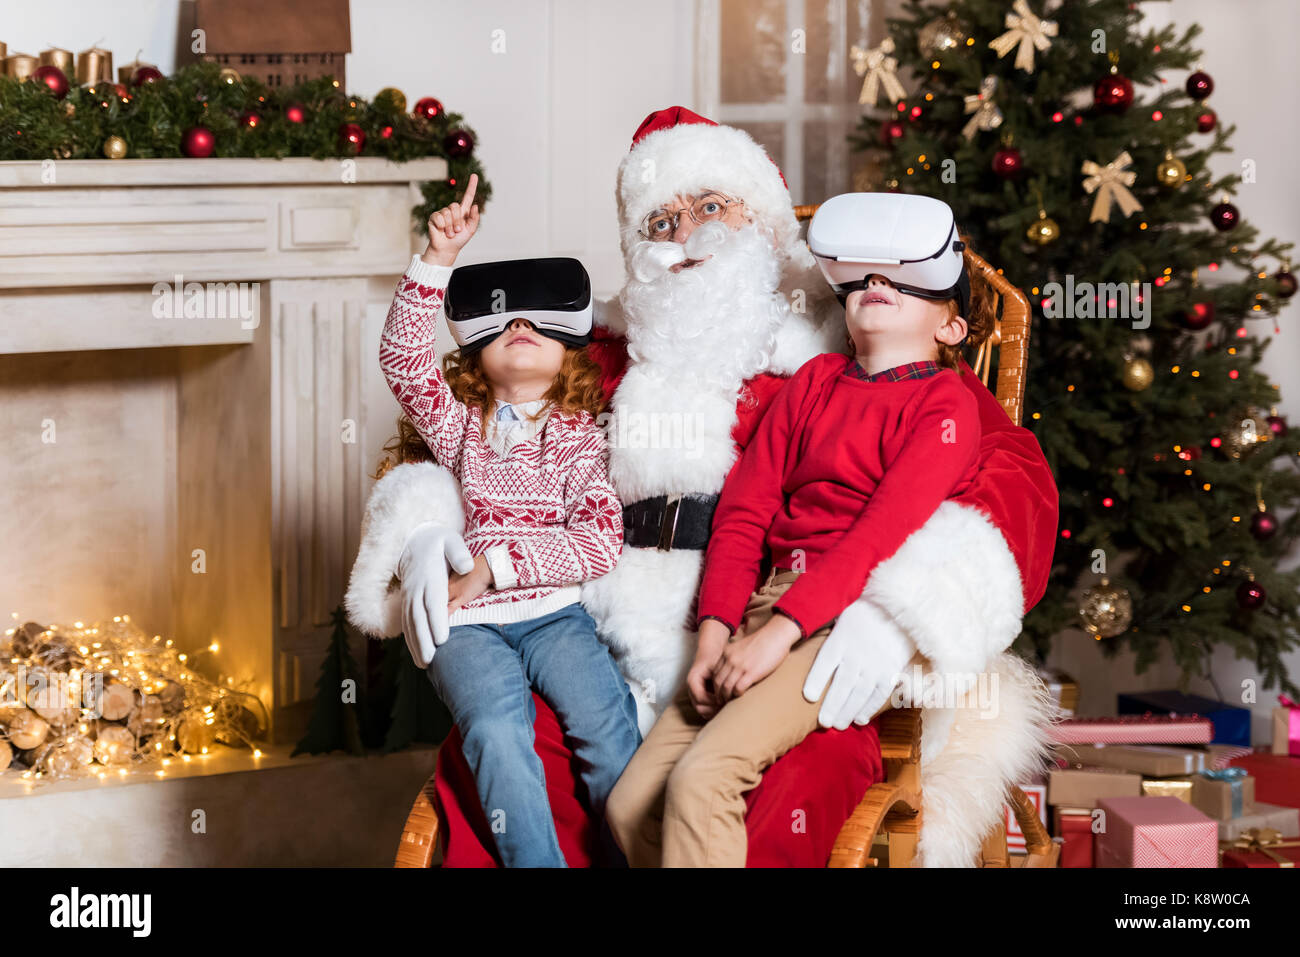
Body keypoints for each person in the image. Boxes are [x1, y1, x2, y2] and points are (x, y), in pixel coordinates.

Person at [346, 108, 1060, 868]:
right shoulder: (597, 352)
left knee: (785, 791)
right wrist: (428, 530)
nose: (686, 233)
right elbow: (475, 435)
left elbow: (1012, 481)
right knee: (509, 752)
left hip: (786, 630)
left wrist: (900, 614)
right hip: (592, 635)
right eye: (661, 220)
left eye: (713, 206)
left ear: (766, 224)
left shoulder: (842, 347)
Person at [606, 193, 996, 866]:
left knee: (704, 779)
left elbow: (875, 540)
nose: (878, 284)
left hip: (845, 618)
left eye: (905, 282)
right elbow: (743, 516)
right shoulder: (815, 381)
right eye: (864, 277)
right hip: (764, 604)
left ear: (952, 327)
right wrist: (715, 634)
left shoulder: (945, 405)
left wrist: (779, 636)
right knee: (629, 803)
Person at [370, 174, 639, 867]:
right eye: (504, 322)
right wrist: (438, 257)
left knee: (607, 729)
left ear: (569, 350)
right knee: (495, 729)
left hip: (556, 616)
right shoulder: (460, 425)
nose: (520, 327)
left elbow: (599, 540)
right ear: (475, 355)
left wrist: (495, 565)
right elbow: (401, 359)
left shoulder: (583, 438)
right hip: (467, 626)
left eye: (537, 322)